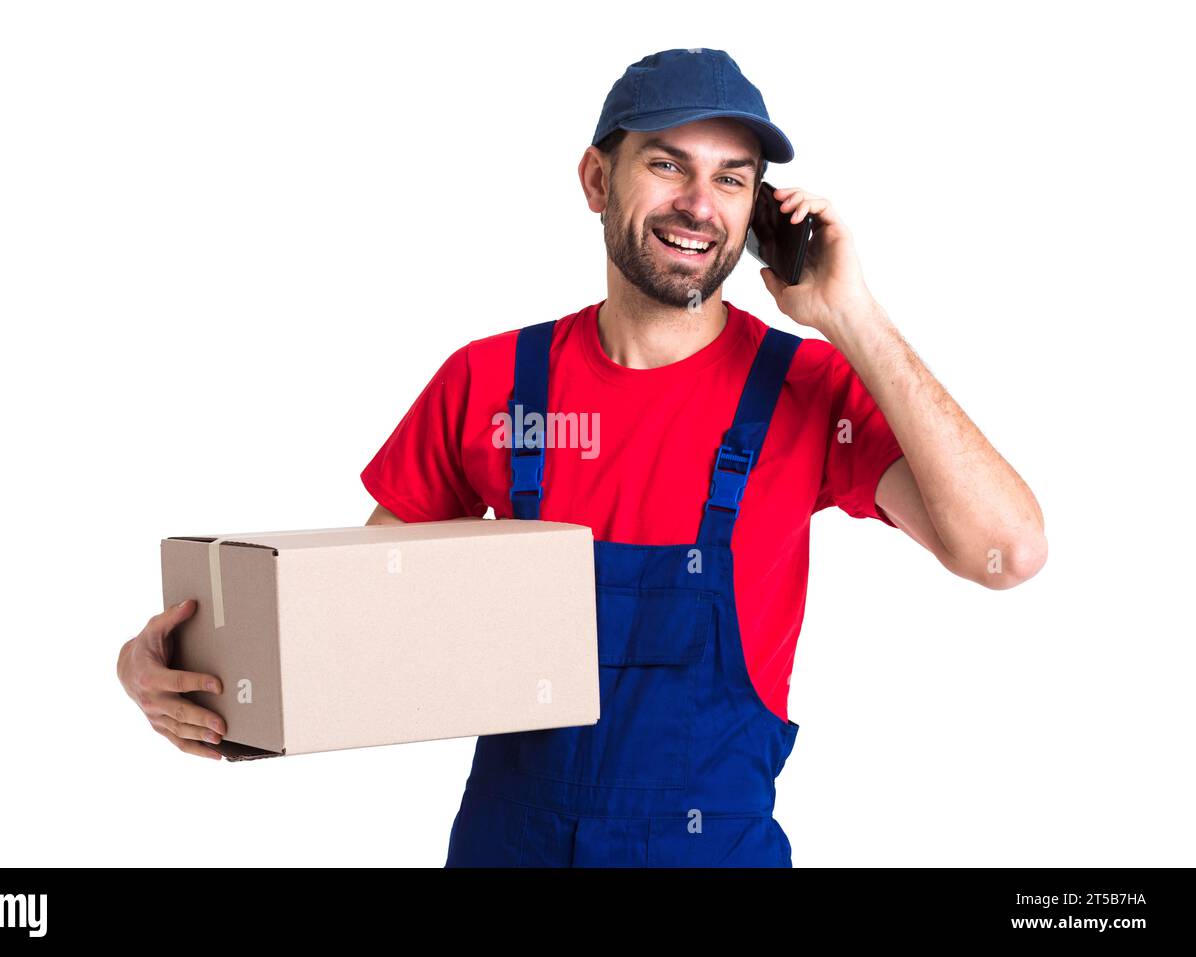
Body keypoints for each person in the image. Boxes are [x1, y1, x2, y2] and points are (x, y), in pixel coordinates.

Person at [117, 48, 1046, 866]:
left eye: (732, 179)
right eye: (667, 164)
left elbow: (1006, 551)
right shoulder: (491, 385)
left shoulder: (808, 389)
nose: (699, 204)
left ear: (759, 209)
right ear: (598, 179)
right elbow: (350, 636)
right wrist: (156, 671)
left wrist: (853, 316)